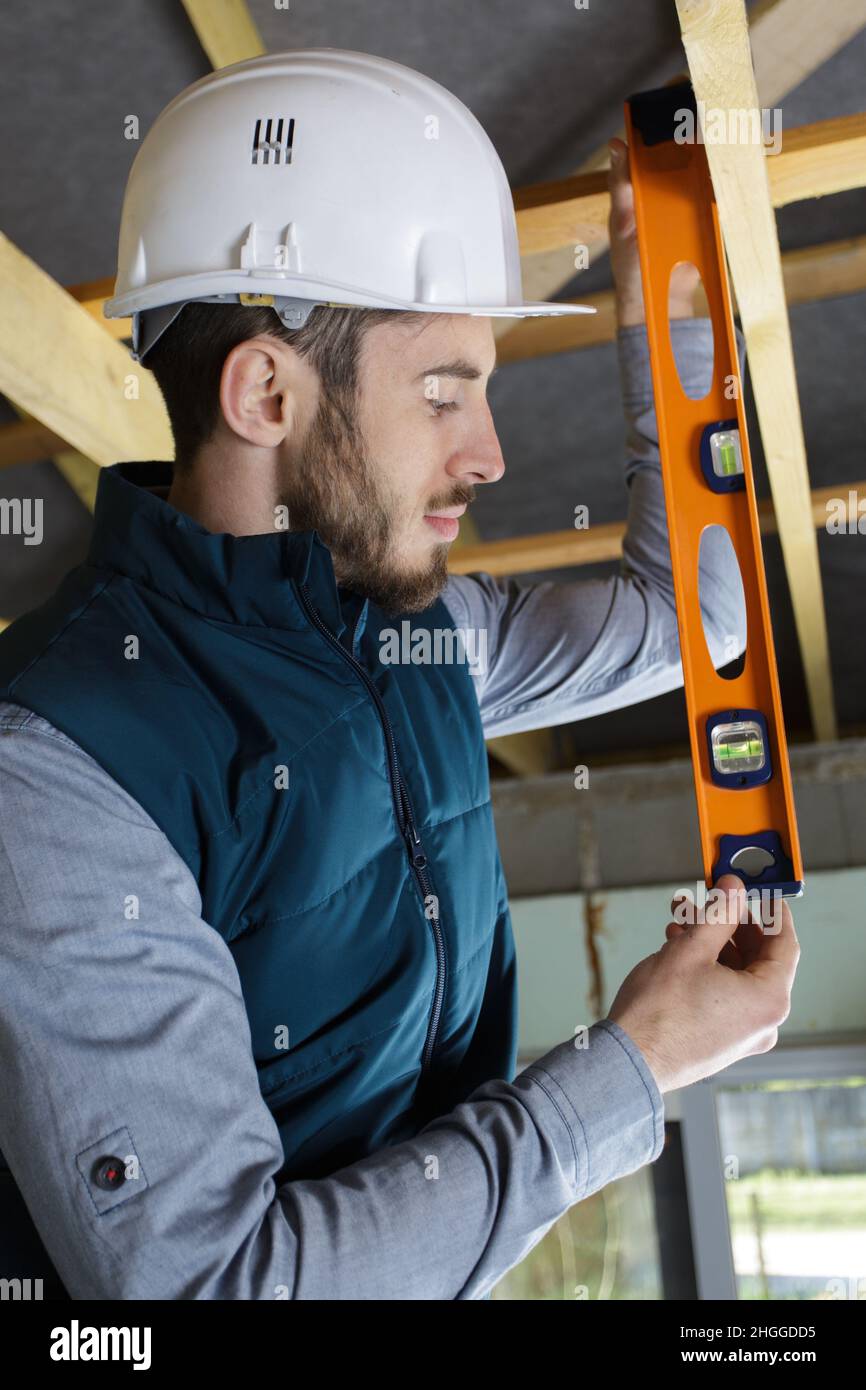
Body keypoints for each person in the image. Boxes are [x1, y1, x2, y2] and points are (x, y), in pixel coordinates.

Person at [0, 51, 798, 1300]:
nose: (486, 455)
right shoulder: (59, 769)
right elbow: (210, 1291)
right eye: (444, 393)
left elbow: (691, 617)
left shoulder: (424, 641)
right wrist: (626, 1071)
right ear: (265, 390)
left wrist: (671, 314)